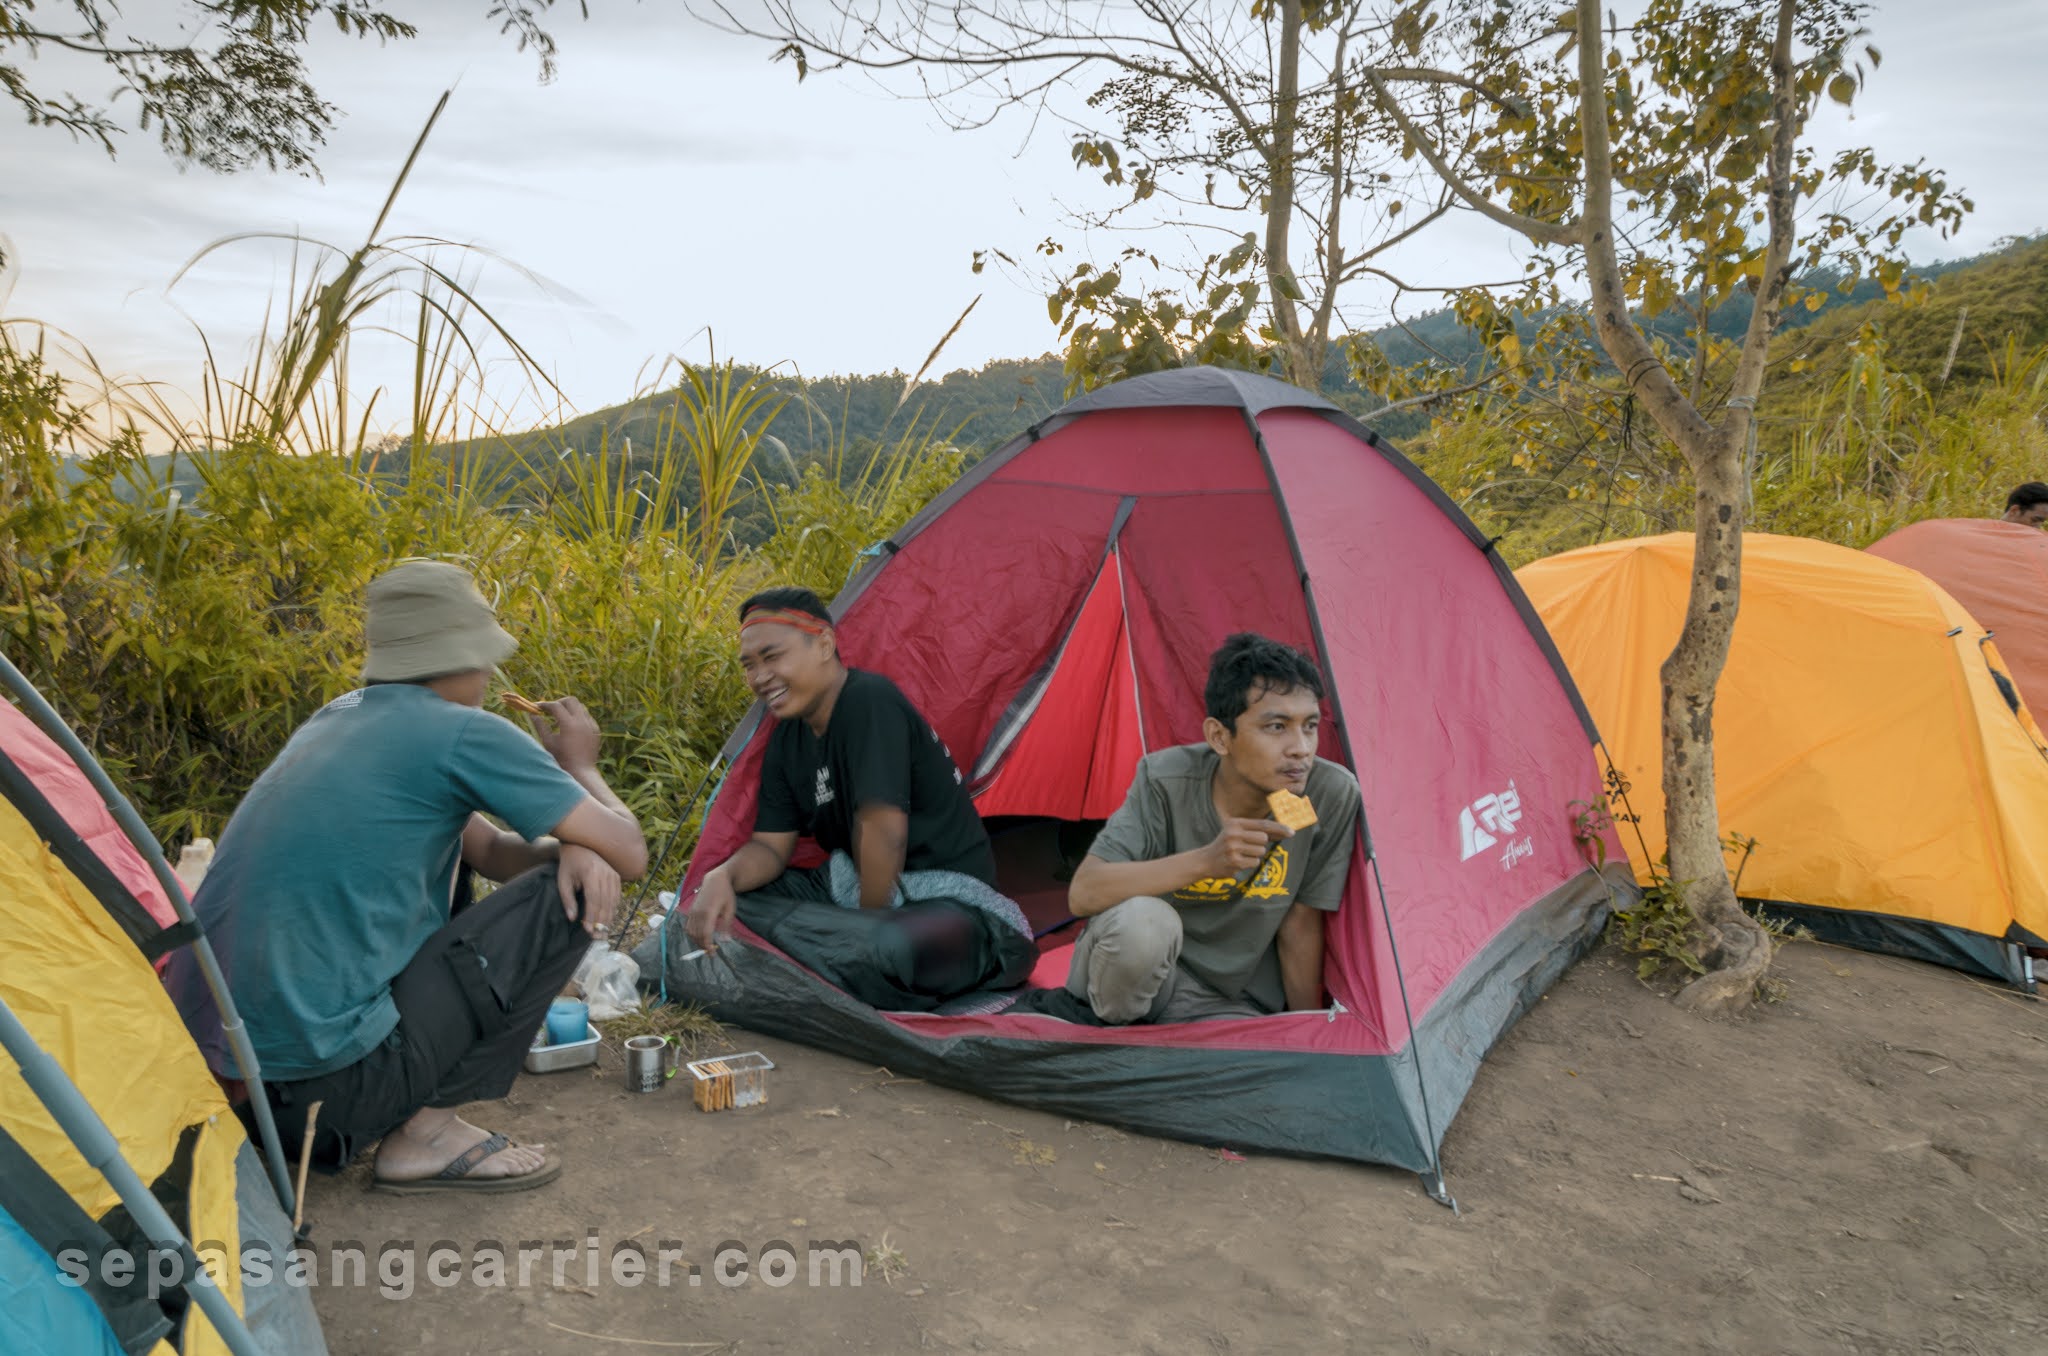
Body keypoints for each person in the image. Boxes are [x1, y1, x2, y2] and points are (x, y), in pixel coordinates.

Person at [166, 562, 647, 1193]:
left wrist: (571, 842)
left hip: (232, 1092)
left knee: (533, 866)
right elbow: (631, 852)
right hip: (326, 1102)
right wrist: (580, 768)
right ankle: (427, 1135)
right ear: (466, 654)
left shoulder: (338, 716)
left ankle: (409, 1098)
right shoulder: (460, 731)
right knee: (564, 902)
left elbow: (492, 849)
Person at [681, 588, 1035, 1010]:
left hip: (952, 906)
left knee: (885, 949)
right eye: (750, 666)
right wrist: (722, 877)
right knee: (718, 905)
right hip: (845, 891)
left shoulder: (869, 700)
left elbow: (883, 831)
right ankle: (837, 961)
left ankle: (827, 959)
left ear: (825, 644)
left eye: (772, 657)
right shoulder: (785, 740)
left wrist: (861, 932)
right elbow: (770, 848)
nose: (760, 677)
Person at [1060, 633, 1361, 1024]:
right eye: (1276, 727)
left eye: (1310, 726)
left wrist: (1307, 1032)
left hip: (1230, 1002)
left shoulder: (1329, 794)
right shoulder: (1165, 780)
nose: (1301, 748)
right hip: (1132, 986)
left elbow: (1300, 922)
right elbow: (1084, 893)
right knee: (1145, 923)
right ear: (1220, 737)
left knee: (1249, 1073)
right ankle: (1114, 1044)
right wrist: (1207, 860)